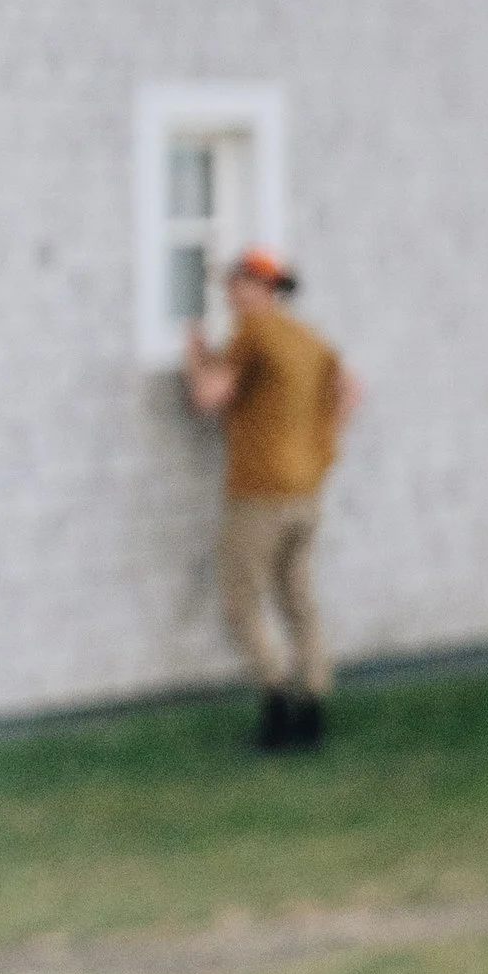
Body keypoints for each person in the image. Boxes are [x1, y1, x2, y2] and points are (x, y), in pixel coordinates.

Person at [183, 249, 359, 750]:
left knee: (242, 600)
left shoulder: (254, 332)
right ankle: (314, 705)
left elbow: (208, 397)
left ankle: (276, 701)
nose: (231, 295)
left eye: (237, 285)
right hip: (307, 490)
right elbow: (350, 391)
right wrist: (320, 444)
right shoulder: (309, 338)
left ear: (260, 290)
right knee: (298, 599)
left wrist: (196, 353)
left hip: (260, 491)